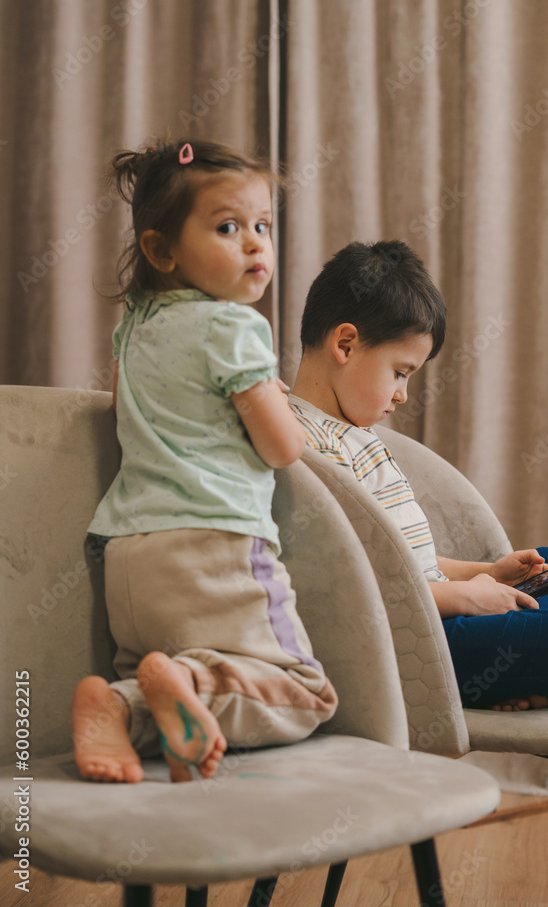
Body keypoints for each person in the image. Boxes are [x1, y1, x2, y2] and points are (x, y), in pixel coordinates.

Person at [73, 139, 338, 785]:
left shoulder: (133, 326)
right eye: (228, 227)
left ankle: (119, 703)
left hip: (128, 556)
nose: (254, 245)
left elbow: (121, 412)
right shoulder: (233, 328)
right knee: (304, 691)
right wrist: (274, 397)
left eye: (262, 227)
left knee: (149, 671)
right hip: (214, 542)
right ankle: (184, 679)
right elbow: (282, 448)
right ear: (162, 250)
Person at [288, 239, 548, 712]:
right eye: (400, 372)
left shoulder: (357, 434)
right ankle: (511, 671)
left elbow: (407, 556)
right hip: (409, 637)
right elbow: (359, 585)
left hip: (433, 601)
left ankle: (514, 656)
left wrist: (485, 574)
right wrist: (465, 598)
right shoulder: (304, 443)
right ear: (345, 343)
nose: (402, 395)